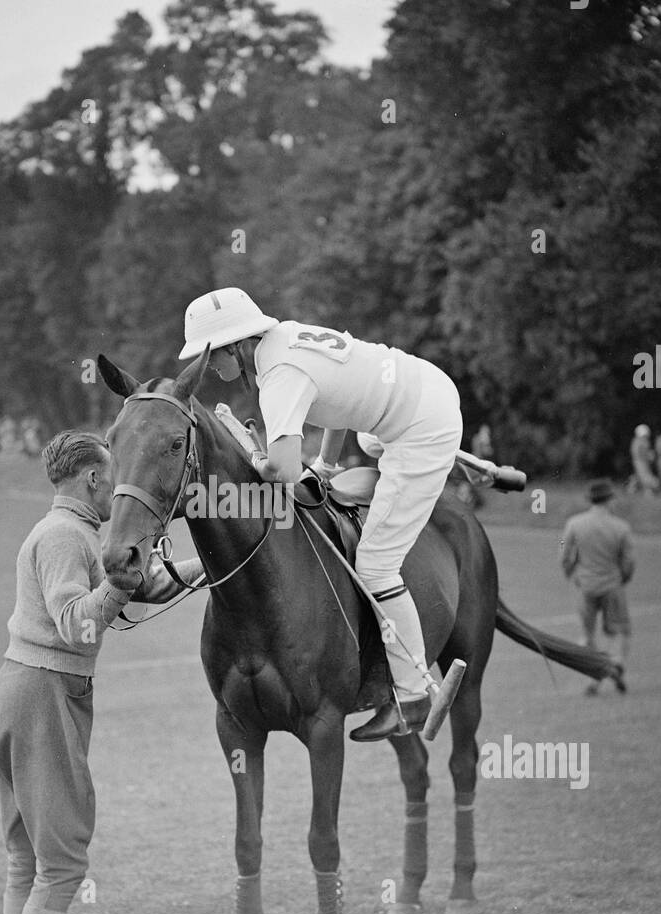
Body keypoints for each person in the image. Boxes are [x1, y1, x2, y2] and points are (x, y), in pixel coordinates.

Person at [0, 430, 200, 914]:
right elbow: (79, 623)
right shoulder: (62, 538)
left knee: (27, 857)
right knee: (64, 863)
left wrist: (212, 563)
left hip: (21, 694)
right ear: (94, 479)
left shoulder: (74, 533)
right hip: (41, 698)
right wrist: (117, 589)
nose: (121, 486)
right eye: (114, 473)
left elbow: (141, 584)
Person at [178, 286, 463, 742]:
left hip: (421, 425)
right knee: (369, 442)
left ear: (236, 345)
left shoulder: (279, 374)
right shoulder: (288, 337)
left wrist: (258, 461)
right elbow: (342, 402)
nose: (210, 365)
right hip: (414, 393)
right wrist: (327, 465)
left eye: (212, 355)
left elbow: (284, 471)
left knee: (376, 565)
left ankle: (410, 698)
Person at [560, 480, 633, 695]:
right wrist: (622, 579)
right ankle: (616, 662)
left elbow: (565, 555)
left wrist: (572, 574)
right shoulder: (621, 527)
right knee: (619, 631)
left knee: (587, 633)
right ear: (609, 501)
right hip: (612, 584)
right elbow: (628, 562)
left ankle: (593, 678)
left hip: (585, 585)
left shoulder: (574, 524)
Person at [627, 425, 659, 495]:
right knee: (645, 477)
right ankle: (648, 491)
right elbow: (640, 452)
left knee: (638, 476)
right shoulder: (640, 441)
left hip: (641, 462)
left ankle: (631, 490)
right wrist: (649, 456)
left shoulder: (637, 441)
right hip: (640, 462)